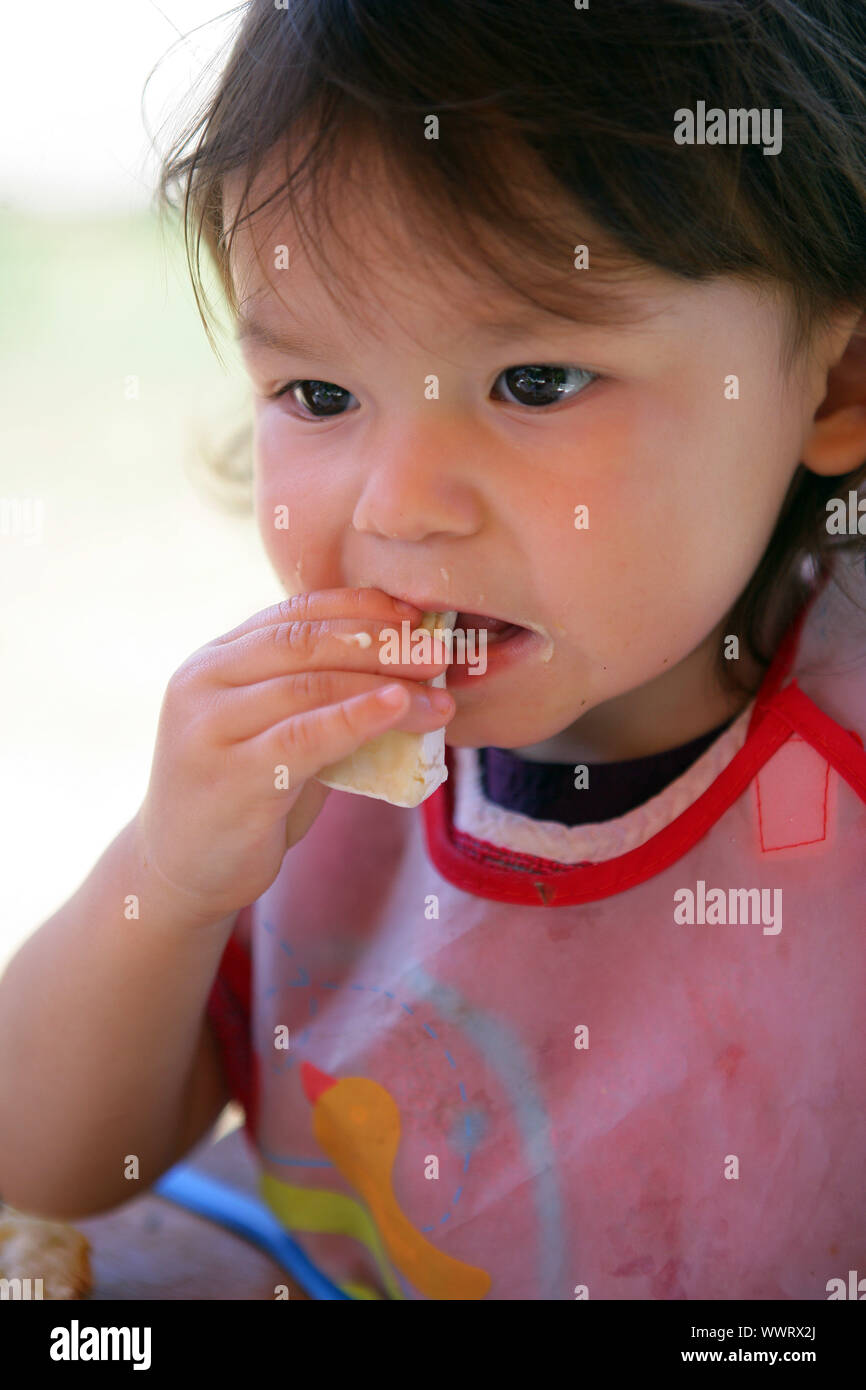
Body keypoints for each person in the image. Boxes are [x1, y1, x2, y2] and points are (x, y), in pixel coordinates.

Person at [2, 0, 866, 1300]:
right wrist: (168, 877)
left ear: (835, 383)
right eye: (320, 396)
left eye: (532, 381)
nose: (397, 505)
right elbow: (58, 1164)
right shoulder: (306, 781)